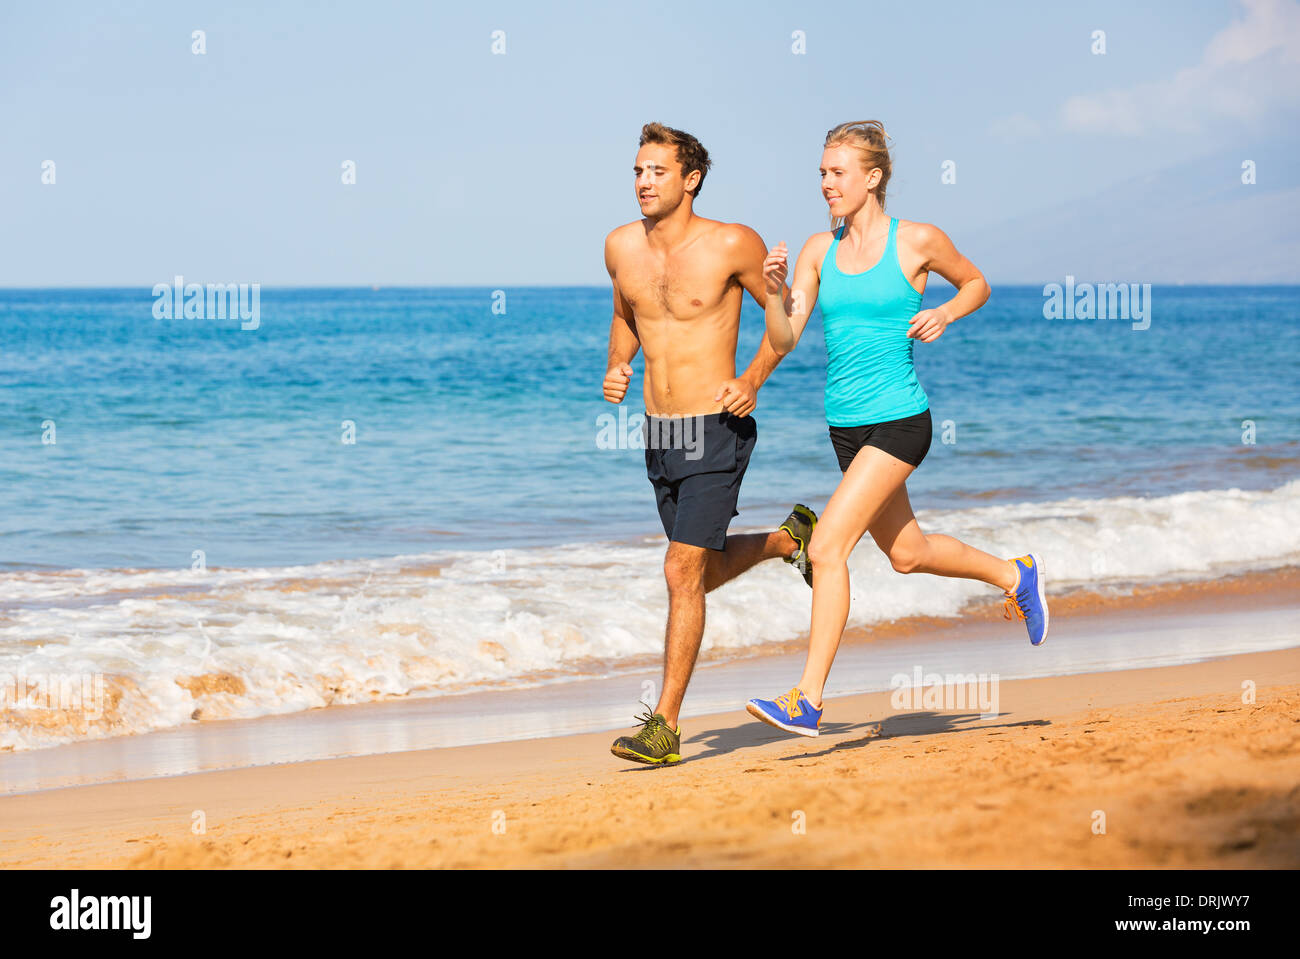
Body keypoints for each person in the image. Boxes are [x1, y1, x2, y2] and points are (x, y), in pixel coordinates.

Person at [745, 120, 1049, 738]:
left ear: (873, 177)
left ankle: (808, 698)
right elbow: (786, 336)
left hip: (900, 420)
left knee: (826, 546)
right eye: (822, 174)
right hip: (845, 426)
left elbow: (977, 283)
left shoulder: (916, 241)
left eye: (838, 173)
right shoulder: (816, 250)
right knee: (906, 555)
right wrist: (774, 295)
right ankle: (1016, 575)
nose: (826, 184)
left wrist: (944, 310)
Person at [602, 122, 816, 764]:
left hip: (716, 429)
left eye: (657, 171)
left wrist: (751, 379)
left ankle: (663, 727)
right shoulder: (619, 246)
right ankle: (788, 539)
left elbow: (784, 329)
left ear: (690, 179)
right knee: (697, 571)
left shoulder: (732, 243)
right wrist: (618, 363)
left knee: (679, 569)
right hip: (658, 435)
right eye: (638, 170)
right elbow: (626, 313)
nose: (643, 182)